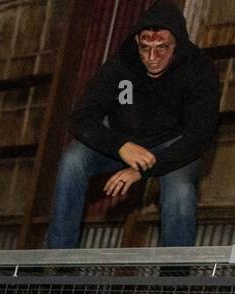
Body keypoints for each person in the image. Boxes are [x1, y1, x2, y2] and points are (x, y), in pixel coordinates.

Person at [45, 1, 218, 250]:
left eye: (162, 48)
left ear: (177, 43)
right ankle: (56, 261)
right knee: (73, 160)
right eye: (145, 48)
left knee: (180, 192)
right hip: (123, 140)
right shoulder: (120, 64)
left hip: (171, 146)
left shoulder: (199, 69)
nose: (152, 58)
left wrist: (143, 171)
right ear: (137, 42)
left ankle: (176, 283)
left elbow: (199, 137)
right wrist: (120, 146)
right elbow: (80, 116)